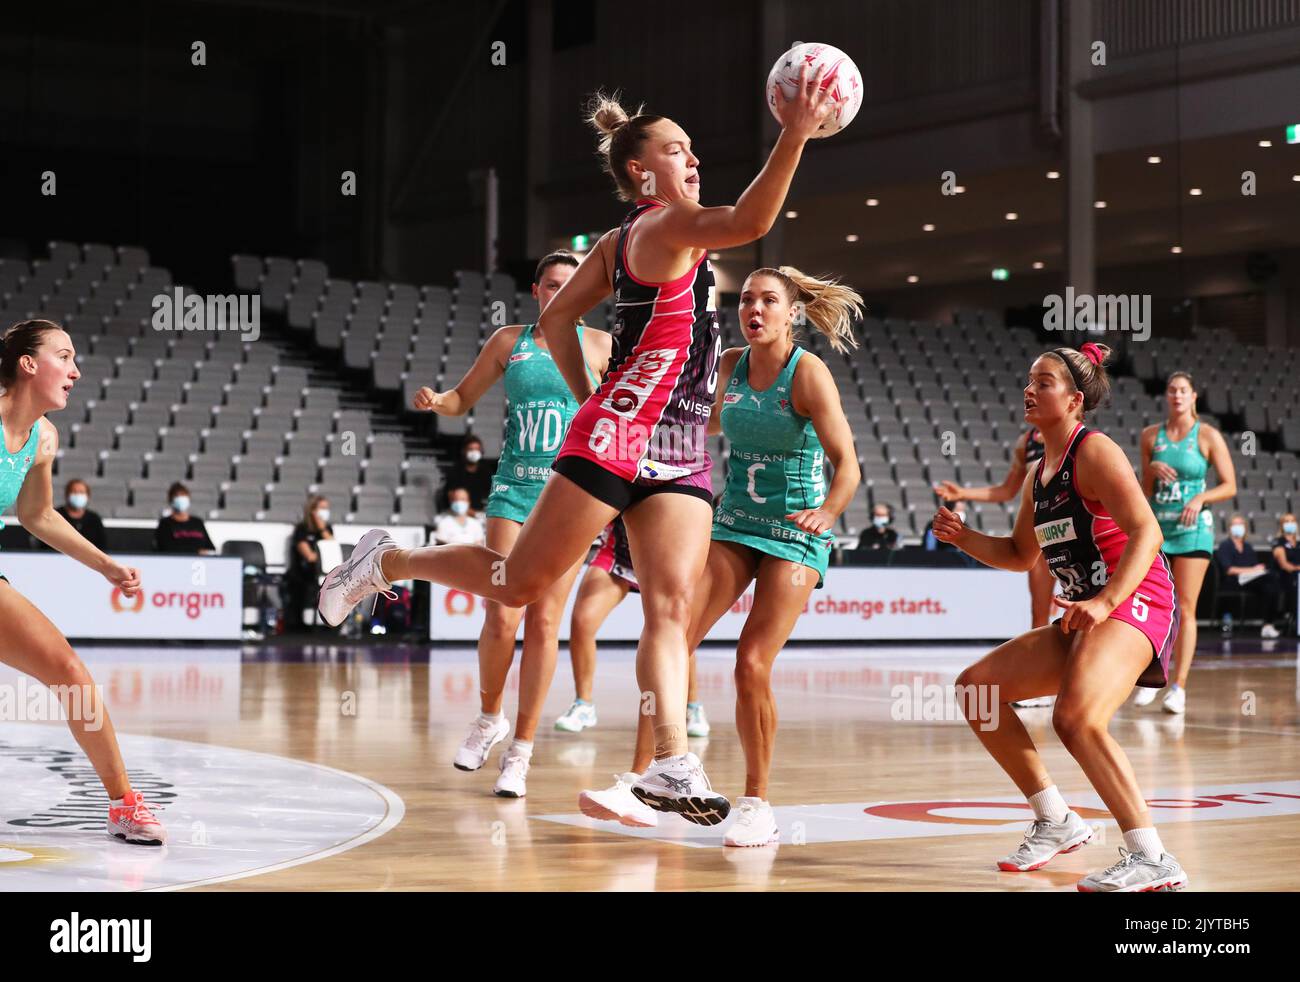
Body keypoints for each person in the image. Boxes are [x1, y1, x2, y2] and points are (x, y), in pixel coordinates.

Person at [319, 71, 840, 824]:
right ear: (642, 172)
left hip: (681, 444)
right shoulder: (664, 225)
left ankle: (670, 761)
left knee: (669, 608)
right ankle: (385, 562)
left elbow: (560, 322)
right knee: (518, 586)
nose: (692, 159)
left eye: (693, 149)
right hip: (621, 432)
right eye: (677, 149)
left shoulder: (622, 239)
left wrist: (585, 388)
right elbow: (754, 217)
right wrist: (795, 130)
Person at [579, 266, 862, 843]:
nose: (754, 310)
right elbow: (694, 422)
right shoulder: (729, 364)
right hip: (734, 521)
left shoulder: (808, 375)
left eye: (768, 302)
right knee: (671, 638)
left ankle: (757, 802)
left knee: (751, 662)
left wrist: (827, 513)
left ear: (792, 314)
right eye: (747, 301)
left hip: (793, 532)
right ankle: (642, 782)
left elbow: (849, 465)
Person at [933, 341, 1185, 892]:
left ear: (1074, 400)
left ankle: (1153, 858)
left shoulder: (1094, 452)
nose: (1029, 388)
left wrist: (1104, 602)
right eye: (1029, 379)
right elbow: (1019, 555)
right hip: (1085, 613)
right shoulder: (1036, 476)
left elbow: (1149, 533)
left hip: (1136, 598)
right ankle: (1055, 820)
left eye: (1043, 382)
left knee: (1075, 719)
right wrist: (963, 537)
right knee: (977, 689)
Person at [412, 251, 610, 797]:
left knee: (546, 623)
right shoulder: (509, 342)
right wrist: (438, 401)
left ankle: (521, 750)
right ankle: (488, 718)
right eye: (550, 285)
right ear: (536, 290)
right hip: (513, 489)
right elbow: (461, 399)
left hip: (570, 494)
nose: (558, 293)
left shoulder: (601, 346)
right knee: (502, 612)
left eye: (569, 286)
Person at [0, 320, 165, 844]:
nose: (77, 370)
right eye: (64, 356)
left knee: (68, 670)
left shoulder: (43, 437)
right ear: (28, 364)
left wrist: (106, 566)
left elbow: (38, 514)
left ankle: (124, 804)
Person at [1133, 371, 1236, 714]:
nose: (1177, 395)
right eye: (1172, 390)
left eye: (1183, 391)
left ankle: (1179, 687)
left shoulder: (1207, 435)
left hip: (1193, 529)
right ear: (1166, 396)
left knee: (1185, 607)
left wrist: (1201, 498)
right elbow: (1142, 490)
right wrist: (1151, 470)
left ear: (1194, 397)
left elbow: (1229, 485)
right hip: (1159, 529)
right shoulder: (1150, 436)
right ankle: (1151, 675)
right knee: (1150, 604)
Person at [553, 517, 710, 736]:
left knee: (676, 632)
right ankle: (583, 704)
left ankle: (692, 706)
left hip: (664, 553)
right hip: (618, 551)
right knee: (582, 621)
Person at [937, 429, 1057, 708]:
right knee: (1040, 612)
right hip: (1042, 533)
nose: (1031, 393)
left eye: (1042, 385)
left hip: (1080, 535)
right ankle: (1039, 685)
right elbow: (1006, 490)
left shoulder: (1083, 441)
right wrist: (962, 492)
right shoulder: (1025, 442)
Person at [1213, 514, 1281, 638]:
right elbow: (1229, 570)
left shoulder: (1248, 546)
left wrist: (1258, 569)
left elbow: (1254, 566)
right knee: (1270, 582)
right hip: (1233, 582)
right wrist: (1252, 569)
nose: (1238, 527)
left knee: (1271, 583)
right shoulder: (1225, 545)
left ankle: (1268, 624)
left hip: (1250, 581)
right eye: (1235, 524)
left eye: (1241, 524)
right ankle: (1269, 623)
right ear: (1230, 528)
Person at [283, 494, 334, 633]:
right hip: (302, 573)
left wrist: (322, 529)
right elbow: (309, 556)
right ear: (312, 510)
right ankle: (298, 625)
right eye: (322, 508)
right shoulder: (302, 529)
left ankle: (331, 623)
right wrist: (324, 555)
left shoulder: (327, 529)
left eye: (327, 508)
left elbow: (333, 549)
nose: (325, 511)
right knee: (299, 585)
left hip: (323, 572)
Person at [41, 477, 107, 551]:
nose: (78, 495)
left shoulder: (94, 519)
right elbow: (45, 544)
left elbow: (102, 546)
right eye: (74, 492)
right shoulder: (56, 515)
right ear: (67, 495)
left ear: (88, 496)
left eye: (81, 492)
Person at [152, 481, 215, 555]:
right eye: (177, 496)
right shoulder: (165, 523)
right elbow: (165, 548)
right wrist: (195, 551)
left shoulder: (197, 522)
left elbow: (210, 547)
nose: (181, 499)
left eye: (184, 496)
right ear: (171, 500)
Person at [438, 435, 495, 514]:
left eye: (477, 449)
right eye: (471, 449)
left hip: (481, 514)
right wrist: (474, 514)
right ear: (463, 451)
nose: (474, 452)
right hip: (457, 514)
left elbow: (494, 495)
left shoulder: (486, 472)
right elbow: (452, 499)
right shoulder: (454, 472)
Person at [1272, 513, 1300, 635]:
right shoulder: (1278, 543)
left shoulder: (1298, 543)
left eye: (1292, 521)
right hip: (1284, 578)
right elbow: (1285, 565)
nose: (1290, 524)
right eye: (1287, 521)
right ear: (1282, 525)